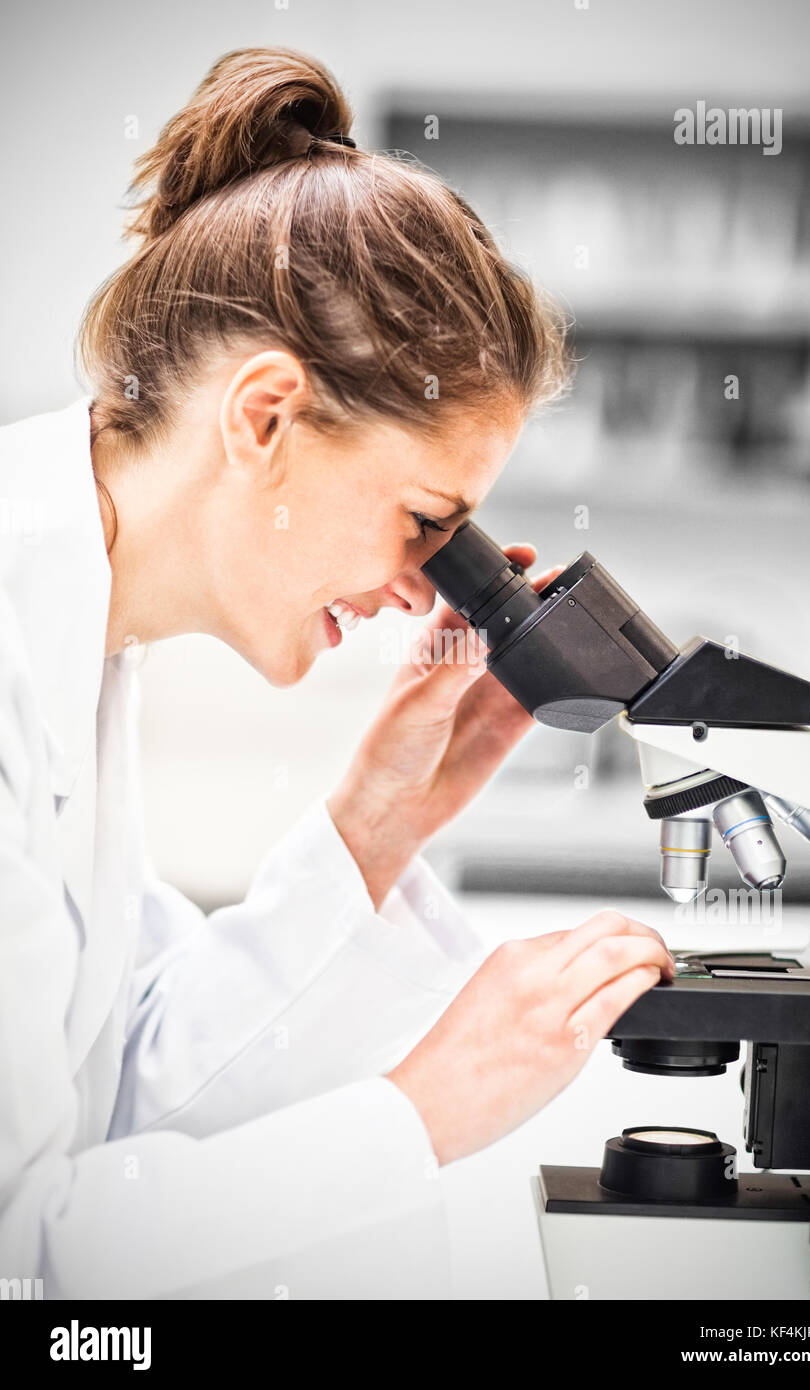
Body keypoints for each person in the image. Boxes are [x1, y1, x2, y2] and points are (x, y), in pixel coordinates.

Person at [0, 46, 674, 1299]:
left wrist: (382, 819)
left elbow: (119, 1087)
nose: (428, 585)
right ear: (262, 418)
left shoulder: (77, 636)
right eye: (426, 519)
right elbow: (27, 1259)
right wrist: (429, 1104)